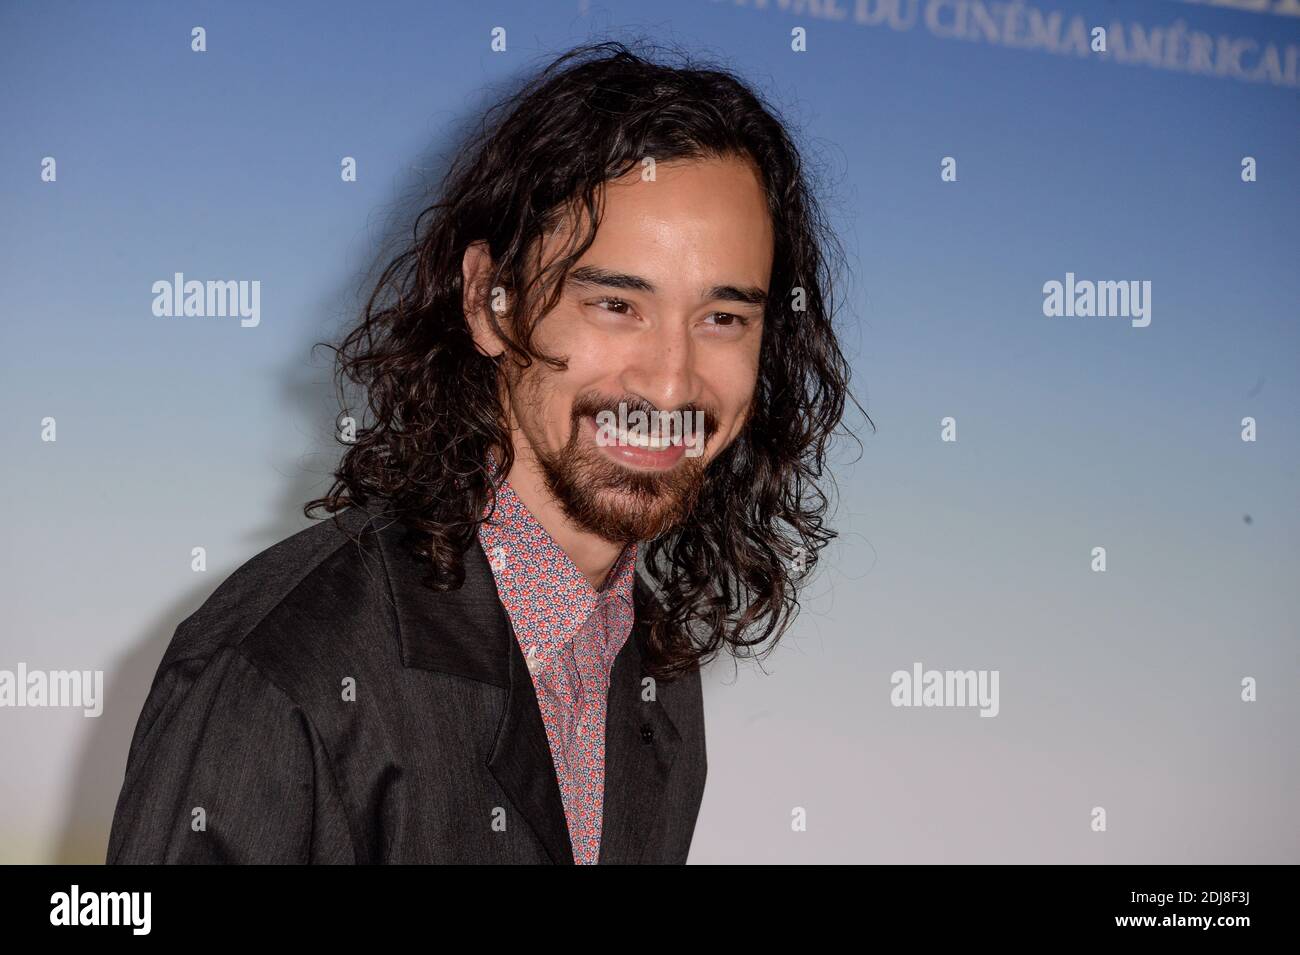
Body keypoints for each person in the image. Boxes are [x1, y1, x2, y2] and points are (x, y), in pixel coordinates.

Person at [106, 39, 856, 864]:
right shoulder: (283, 666)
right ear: (488, 303)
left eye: (723, 318)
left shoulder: (652, 677)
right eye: (615, 303)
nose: (672, 384)